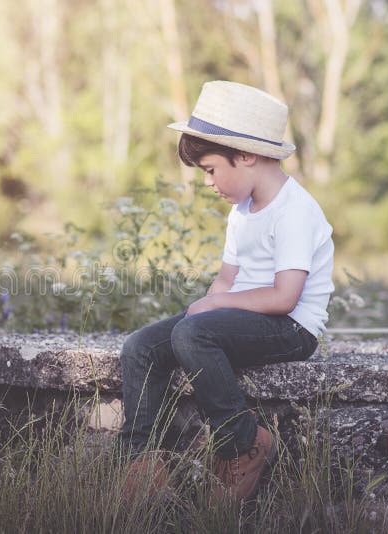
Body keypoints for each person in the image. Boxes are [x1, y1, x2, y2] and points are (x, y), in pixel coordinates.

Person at [117, 80, 334, 501]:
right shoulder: (242, 211)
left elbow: (285, 296)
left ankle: (243, 444)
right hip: (244, 317)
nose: (207, 182)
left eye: (211, 170)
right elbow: (227, 280)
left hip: (288, 326)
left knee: (192, 334)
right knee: (140, 347)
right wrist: (207, 306)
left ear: (247, 156)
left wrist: (215, 308)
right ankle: (139, 465)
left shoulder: (295, 211)